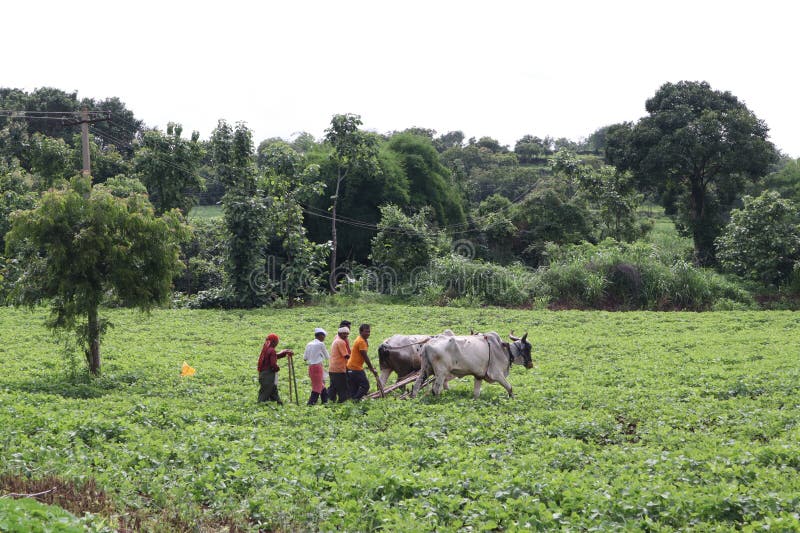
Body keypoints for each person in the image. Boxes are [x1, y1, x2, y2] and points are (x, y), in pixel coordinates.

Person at [257, 333, 293, 404]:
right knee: (266, 391)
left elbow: (274, 356)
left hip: (263, 374)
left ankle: (278, 402)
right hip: (268, 374)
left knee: (273, 389)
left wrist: (284, 353)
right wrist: (277, 368)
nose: (277, 343)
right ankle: (260, 403)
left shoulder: (266, 349)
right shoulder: (272, 350)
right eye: (277, 342)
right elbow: (273, 364)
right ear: (274, 342)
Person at [346, 323, 379, 400]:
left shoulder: (361, 339)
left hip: (351, 367)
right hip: (355, 368)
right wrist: (371, 368)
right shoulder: (361, 341)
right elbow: (365, 356)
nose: (368, 333)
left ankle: (353, 400)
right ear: (361, 332)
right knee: (365, 386)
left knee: (354, 388)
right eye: (366, 331)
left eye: (369, 332)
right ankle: (356, 400)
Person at [303, 327, 330, 405]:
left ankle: (325, 401)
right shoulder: (320, 344)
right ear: (320, 335)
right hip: (317, 367)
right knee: (317, 387)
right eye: (324, 336)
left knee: (320, 384)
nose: (324, 338)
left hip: (311, 367)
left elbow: (305, 358)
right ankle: (311, 403)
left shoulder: (309, 344)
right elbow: (327, 356)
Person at [328, 326, 351, 403]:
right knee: (342, 387)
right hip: (339, 368)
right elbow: (346, 355)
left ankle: (330, 401)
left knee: (333, 387)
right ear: (339, 333)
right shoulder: (341, 342)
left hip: (332, 368)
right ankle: (342, 402)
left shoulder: (336, 339)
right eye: (344, 334)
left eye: (347, 334)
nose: (346, 336)